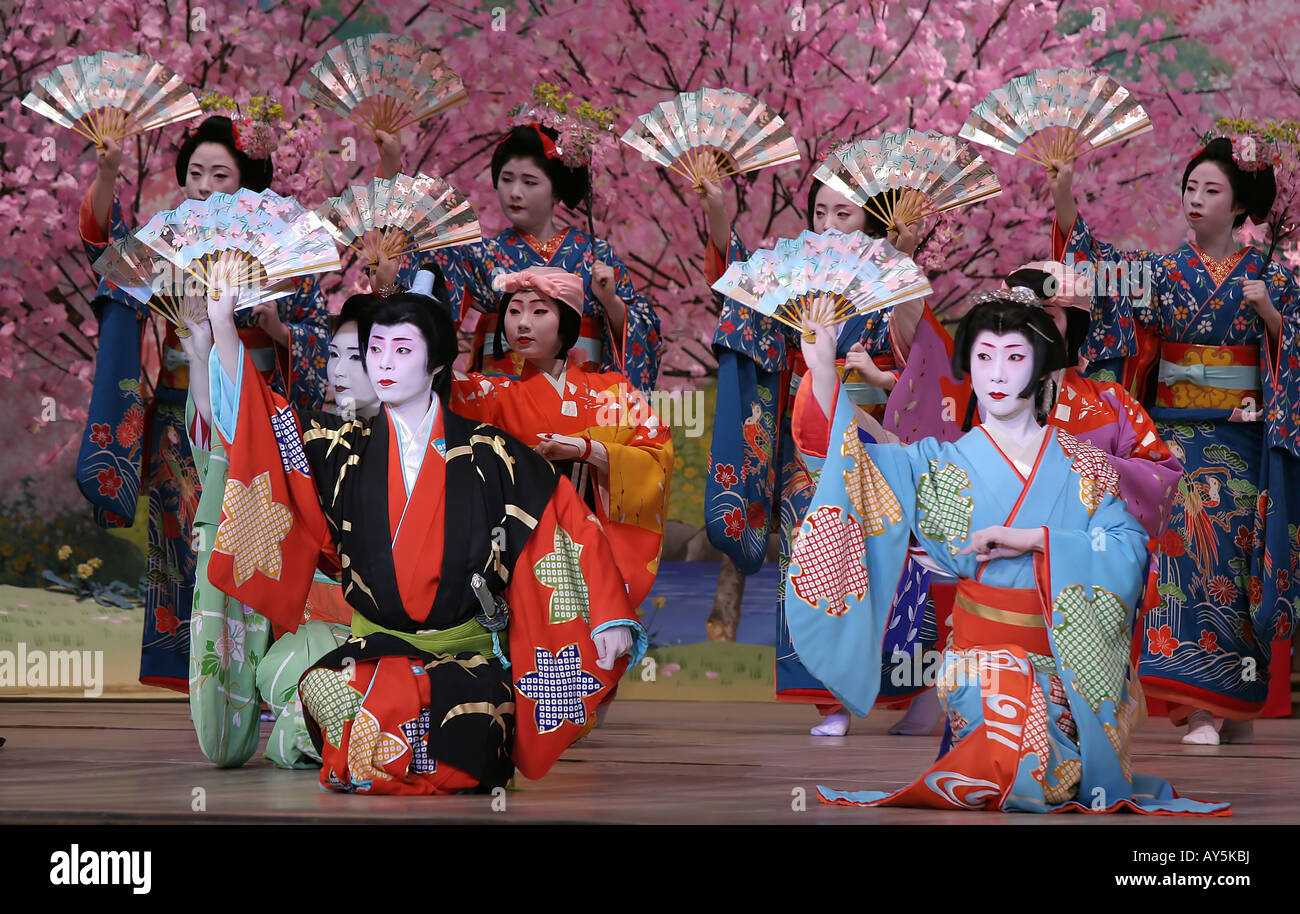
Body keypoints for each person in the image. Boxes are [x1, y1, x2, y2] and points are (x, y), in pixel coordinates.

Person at [787, 293, 1229, 814]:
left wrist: (1039, 540)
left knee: (1044, 773)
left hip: (1072, 668)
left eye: (1014, 357)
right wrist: (820, 373)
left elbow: (1129, 551)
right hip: (979, 667)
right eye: (983, 356)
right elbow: (848, 471)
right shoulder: (937, 461)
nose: (997, 372)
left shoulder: (1087, 465)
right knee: (1019, 755)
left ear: (1042, 366)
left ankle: (1052, 755)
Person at [197, 284, 645, 793]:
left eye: (402, 349)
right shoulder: (339, 447)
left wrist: (608, 613)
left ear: (435, 363)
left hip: (465, 658)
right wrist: (221, 324)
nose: (384, 363)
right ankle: (391, 754)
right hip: (373, 649)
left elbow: (562, 522)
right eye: (376, 349)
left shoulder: (489, 452)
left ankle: (389, 759)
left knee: (474, 727)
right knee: (325, 684)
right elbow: (258, 420)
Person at [1050, 137, 1300, 744]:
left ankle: (1232, 699)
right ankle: (1199, 709)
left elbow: (1290, 345)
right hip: (1175, 438)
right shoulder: (1162, 274)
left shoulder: (1270, 276)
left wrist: (1270, 314)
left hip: (1242, 443)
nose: (1196, 199)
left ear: (1240, 206)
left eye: (1211, 190)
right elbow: (1090, 264)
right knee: (1179, 542)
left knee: (1235, 555)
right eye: (1191, 188)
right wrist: (1062, 189)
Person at [76, 111, 328, 692]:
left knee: (256, 538)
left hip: (262, 416)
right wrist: (109, 171)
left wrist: (280, 328)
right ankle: (204, 676)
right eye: (195, 174)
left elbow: (321, 337)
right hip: (178, 418)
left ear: (249, 182)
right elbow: (105, 255)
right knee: (191, 540)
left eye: (222, 174)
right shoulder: (166, 246)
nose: (206, 187)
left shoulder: (285, 251)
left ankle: (261, 675)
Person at [700, 164, 921, 737]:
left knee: (872, 561)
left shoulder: (882, 281)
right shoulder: (791, 286)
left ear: (870, 222)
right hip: (804, 439)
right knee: (812, 560)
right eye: (818, 213)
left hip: (864, 437)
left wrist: (905, 255)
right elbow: (738, 284)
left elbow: (906, 353)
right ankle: (827, 697)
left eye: (842, 214)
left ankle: (894, 686)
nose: (826, 225)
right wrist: (718, 208)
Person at [376, 122, 662, 391]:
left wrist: (611, 302)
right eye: (507, 179)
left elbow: (640, 326)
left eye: (530, 182)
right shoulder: (480, 254)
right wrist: (391, 166)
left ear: (556, 190)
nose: (515, 192)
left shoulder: (595, 255)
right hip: (500, 395)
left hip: (578, 398)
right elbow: (418, 276)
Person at [448, 267, 672, 610]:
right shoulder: (493, 394)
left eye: (538, 311)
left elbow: (655, 456)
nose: (523, 323)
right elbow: (431, 384)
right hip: (518, 551)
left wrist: (586, 449)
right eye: (513, 311)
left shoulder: (612, 391)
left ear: (566, 321)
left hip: (592, 548)